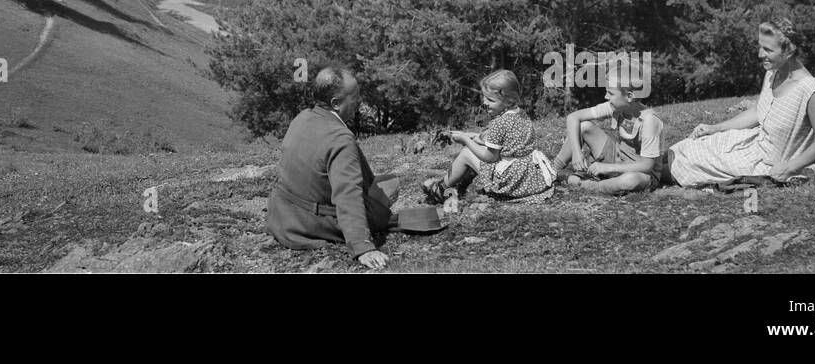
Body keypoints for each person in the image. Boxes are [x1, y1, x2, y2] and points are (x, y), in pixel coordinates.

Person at [666, 17, 815, 187]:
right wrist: (715, 128)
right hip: (753, 145)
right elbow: (758, 112)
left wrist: (789, 168)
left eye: (768, 50)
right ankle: (647, 165)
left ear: (788, 52)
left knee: (689, 163)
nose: (760, 54)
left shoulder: (808, 90)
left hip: (768, 164)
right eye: (760, 47)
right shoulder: (773, 72)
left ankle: (647, 175)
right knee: (688, 146)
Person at [266, 66, 394, 270]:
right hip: (308, 223)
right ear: (336, 103)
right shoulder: (340, 138)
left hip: (280, 215)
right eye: (355, 96)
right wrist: (362, 246)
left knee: (382, 185)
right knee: (390, 185)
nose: (359, 101)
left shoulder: (302, 117)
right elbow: (348, 194)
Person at [421, 69, 555, 205]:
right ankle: (459, 185)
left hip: (512, 180)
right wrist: (471, 136)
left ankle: (440, 188)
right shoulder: (520, 114)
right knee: (475, 149)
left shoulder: (500, 123)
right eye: (484, 97)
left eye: (490, 99)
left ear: (509, 101)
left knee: (467, 153)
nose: (485, 102)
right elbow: (501, 140)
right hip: (530, 177)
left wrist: (466, 141)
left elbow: (490, 157)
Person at [550, 80, 667, 194]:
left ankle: (590, 185)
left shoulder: (650, 121)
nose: (606, 96)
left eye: (611, 93)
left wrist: (607, 167)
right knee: (583, 127)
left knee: (630, 180)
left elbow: (647, 165)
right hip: (618, 158)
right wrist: (576, 152)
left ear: (629, 97)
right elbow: (573, 117)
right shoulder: (616, 106)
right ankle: (552, 171)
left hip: (642, 173)